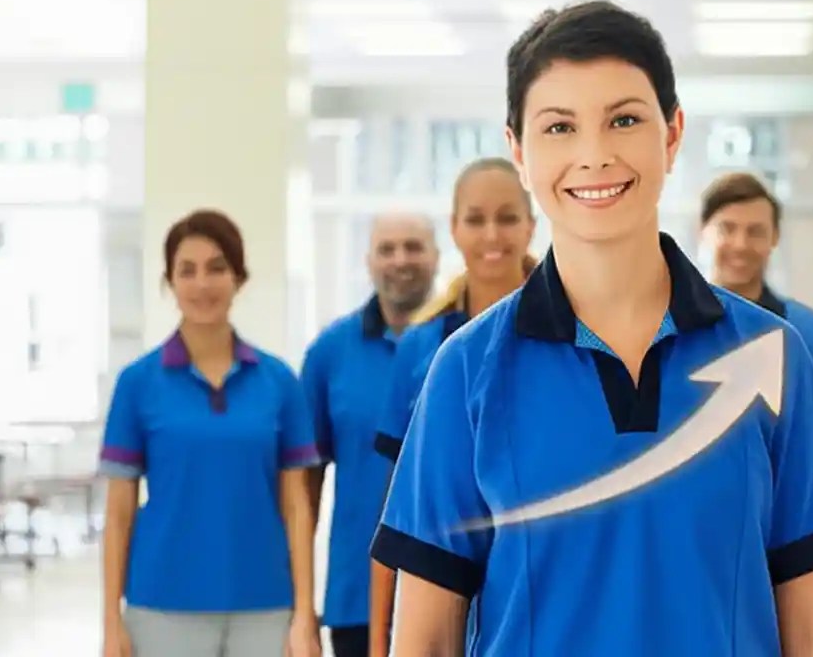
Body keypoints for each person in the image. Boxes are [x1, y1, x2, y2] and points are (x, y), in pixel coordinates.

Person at [370, 0, 813, 656]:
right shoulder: (466, 371)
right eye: (559, 127)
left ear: (671, 135)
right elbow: (425, 641)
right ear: (518, 152)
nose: (594, 154)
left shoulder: (772, 356)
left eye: (624, 119)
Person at [99, 209, 318, 657]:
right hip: (161, 604)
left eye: (217, 268)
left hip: (266, 604)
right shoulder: (137, 384)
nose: (203, 284)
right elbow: (119, 514)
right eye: (188, 270)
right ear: (169, 283)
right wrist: (109, 625)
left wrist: (305, 615)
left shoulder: (279, 382)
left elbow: (298, 508)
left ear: (239, 278)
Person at [367, 157, 537, 657]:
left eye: (508, 217)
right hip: (442, 599)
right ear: (454, 229)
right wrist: (381, 641)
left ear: (531, 224)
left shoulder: (575, 337)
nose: (492, 234)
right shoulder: (422, 349)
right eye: (476, 218)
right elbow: (398, 513)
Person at [300, 213, 438, 657]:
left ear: (436, 257)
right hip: (355, 597)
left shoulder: (467, 341)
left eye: (413, 247)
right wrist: (300, 607)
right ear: (368, 261)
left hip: (454, 588)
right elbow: (304, 487)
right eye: (388, 249)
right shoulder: (329, 353)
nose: (401, 260)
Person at [699, 171, 813, 432]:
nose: (740, 245)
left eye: (756, 232)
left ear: (775, 238)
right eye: (727, 229)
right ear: (702, 231)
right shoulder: (667, 332)